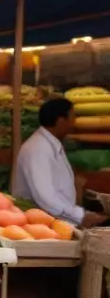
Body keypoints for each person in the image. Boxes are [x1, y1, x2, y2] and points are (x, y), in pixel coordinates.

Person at [12, 97, 108, 228]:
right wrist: (80, 216)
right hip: (42, 224)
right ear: (61, 120)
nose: (74, 122)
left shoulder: (52, 144)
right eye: (72, 117)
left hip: (58, 221)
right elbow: (45, 196)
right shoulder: (38, 148)